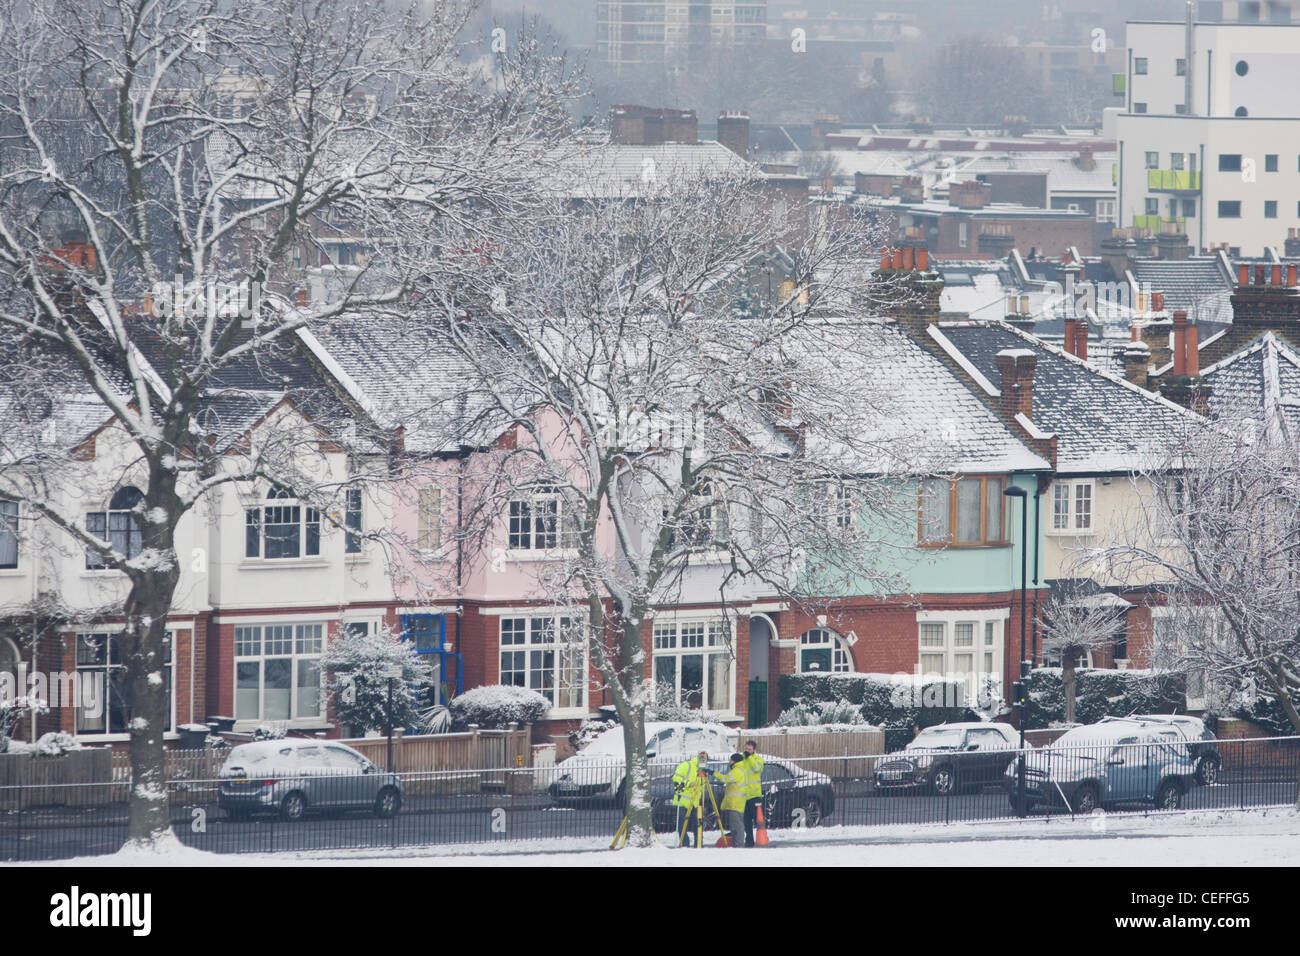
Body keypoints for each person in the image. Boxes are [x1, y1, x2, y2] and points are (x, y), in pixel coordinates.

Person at [671, 750, 709, 847]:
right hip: (683, 801)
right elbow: (676, 779)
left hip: (695, 803)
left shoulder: (702, 771)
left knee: (698, 824)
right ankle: (685, 844)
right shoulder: (686, 765)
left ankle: (698, 843)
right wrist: (689, 784)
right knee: (682, 825)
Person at [713, 753, 747, 847]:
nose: (729, 762)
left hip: (735, 803)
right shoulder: (740, 769)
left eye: (731, 760)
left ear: (735, 761)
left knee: (737, 826)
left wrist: (713, 773)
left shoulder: (737, 771)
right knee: (737, 825)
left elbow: (725, 779)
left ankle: (739, 845)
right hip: (737, 803)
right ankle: (738, 844)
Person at [741, 740, 765, 848]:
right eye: (746, 749)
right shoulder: (742, 759)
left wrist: (749, 757)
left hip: (755, 795)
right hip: (744, 795)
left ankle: (762, 837)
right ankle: (749, 840)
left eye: (749, 749)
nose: (747, 751)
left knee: (758, 819)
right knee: (746, 820)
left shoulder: (758, 759)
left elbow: (756, 769)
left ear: (754, 750)